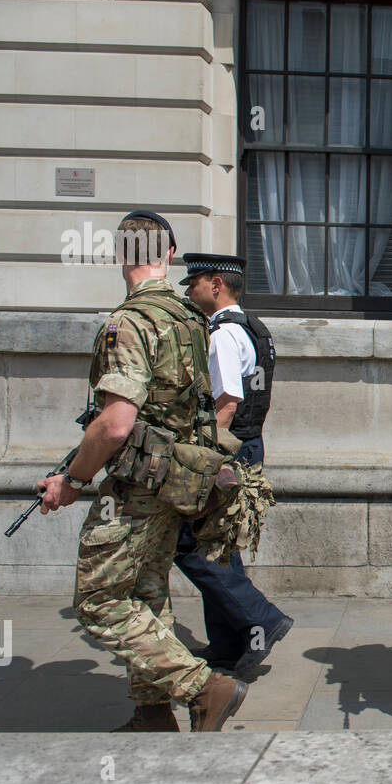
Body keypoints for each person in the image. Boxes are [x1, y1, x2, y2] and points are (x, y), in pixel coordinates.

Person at [37, 211, 248, 732]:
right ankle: (152, 713)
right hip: (174, 482)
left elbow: (115, 423)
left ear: (120, 255)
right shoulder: (191, 318)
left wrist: (73, 481)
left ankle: (205, 688)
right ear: (170, 254)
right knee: (147, 597)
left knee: (99, 601)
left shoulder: (126, 323)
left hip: (135, 487)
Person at [174, 253, 292, 673]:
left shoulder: (223, 333)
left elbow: (226, 403)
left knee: (188, 543)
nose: (188, 290)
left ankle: (262, 618)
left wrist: (202, 457)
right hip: (249, 443)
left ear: (216, 285)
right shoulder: (255, 328)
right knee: (218, 542)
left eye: (194, 283)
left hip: (228, 448)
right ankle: (228, 644)